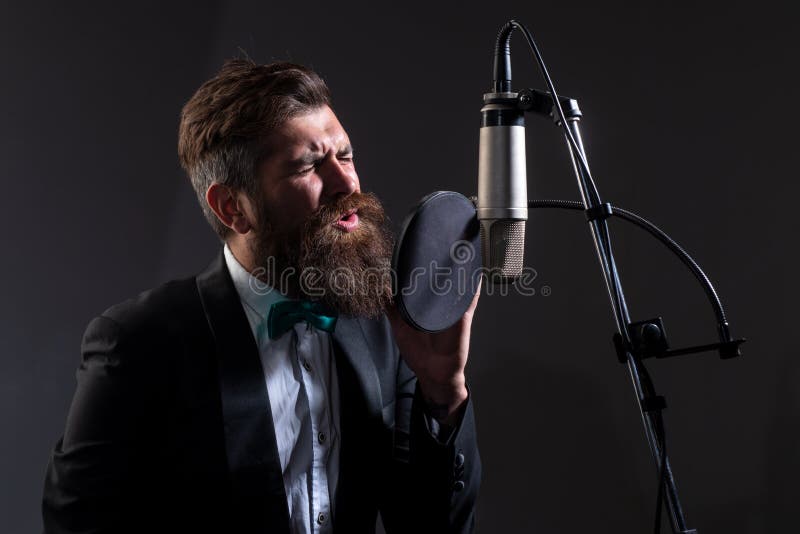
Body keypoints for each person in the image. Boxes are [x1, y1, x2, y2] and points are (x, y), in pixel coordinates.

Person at [42, 59, 481, 534]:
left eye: (346, 155)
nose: (346, 183)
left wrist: (443, 391)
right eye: (309, 165)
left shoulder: (381, 326)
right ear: (233, 207)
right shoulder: (137, 343)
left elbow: (433, 526)